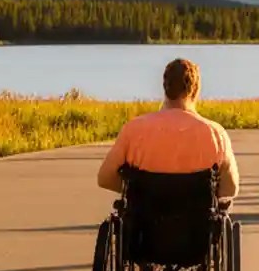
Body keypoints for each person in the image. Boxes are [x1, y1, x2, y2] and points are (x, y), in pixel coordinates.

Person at [97, 58, 239, 198]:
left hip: (144, 218)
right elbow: (230, 189)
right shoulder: (215, 134)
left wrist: (135, 192)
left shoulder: (133, 129)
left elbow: (105, 178)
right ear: (195, 90)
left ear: (165, 87)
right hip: (197, 219)